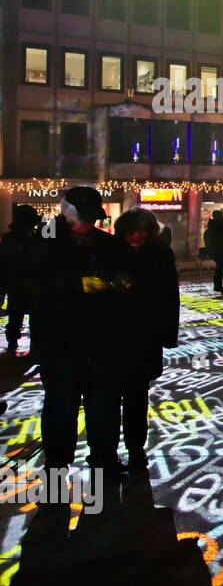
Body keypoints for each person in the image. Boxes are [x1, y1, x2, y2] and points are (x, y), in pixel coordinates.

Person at [28, 186, 131, 474]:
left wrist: (121, 282)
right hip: (61, 343)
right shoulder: (46, 239)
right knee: (61, 407)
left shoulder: (107, 244)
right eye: (82, 219)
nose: (88, 226)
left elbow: (125, 273)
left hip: (102, 343)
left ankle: (104, 458)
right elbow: (32, 285)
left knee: (105, 407)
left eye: (92, 219)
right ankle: (57, 463)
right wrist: (78, 285)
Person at [114, 208, 179, 473]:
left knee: (136, 396)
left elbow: (169, 296)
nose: (135, 236)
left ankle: (135, 448)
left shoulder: (160, 254)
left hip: (144, 336)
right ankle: (106, 452)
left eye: (141, 231)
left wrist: (167, 335)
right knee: (109, 397)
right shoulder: (114, 251)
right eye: (131, 232)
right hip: (114, 334)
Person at [0, 205, 41, 355]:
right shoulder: (35, 240)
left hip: (15, 285)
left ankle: (12, 344)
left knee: (15, 318)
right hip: (32, 285)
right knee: (35, 318)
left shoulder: (7, 240)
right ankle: (35, 348)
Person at [203, 210, 223, 293]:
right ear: (219, 216)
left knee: (220, 268)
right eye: (222, 215)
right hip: (221, 250)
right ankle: (217, 286)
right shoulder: (219, 224)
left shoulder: (214, 224)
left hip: (218, 250)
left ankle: (218, 285)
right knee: (220, 269)